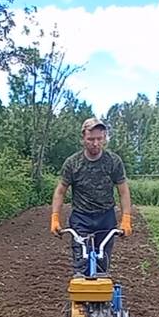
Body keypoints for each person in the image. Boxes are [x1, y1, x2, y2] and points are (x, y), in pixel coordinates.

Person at [50, 117, 133, 277]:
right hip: (81, 219)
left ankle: (101, 302)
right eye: (91, 139)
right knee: (81, 266)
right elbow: (60, 191)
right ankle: (80, 302)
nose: (95, 143)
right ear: (83, 138)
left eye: (99, 139)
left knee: (102, 266)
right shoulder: (73, 163)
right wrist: (55, 218)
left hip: (105, 217)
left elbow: (123, 191)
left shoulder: (113, 162)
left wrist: (126, 219)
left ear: (104, 138)